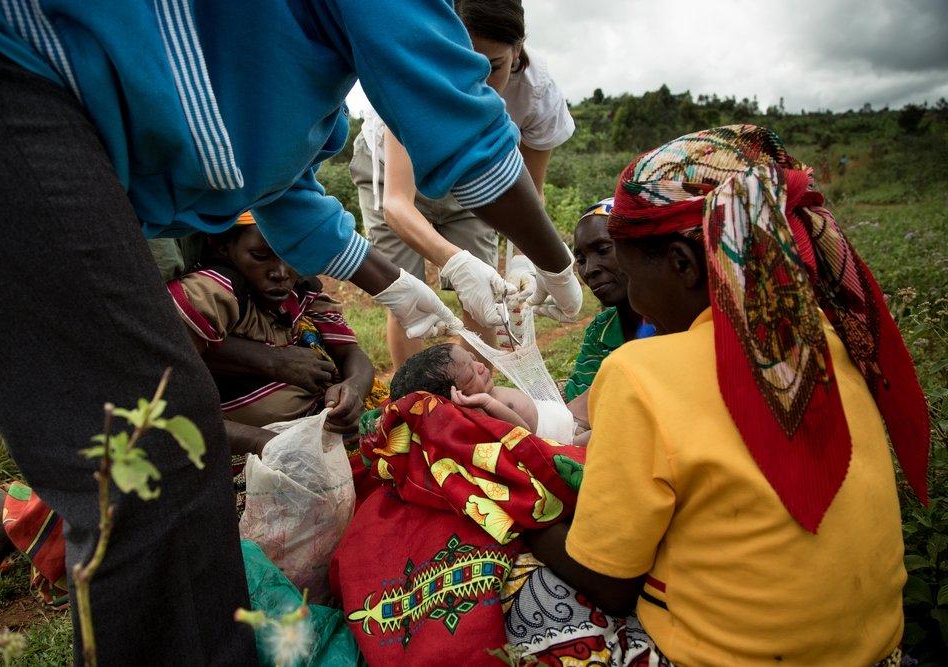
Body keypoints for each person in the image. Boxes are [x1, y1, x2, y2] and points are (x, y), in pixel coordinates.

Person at [0, 1, 582, 661]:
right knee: (155, 440)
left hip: (43, 110)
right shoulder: (214, 294)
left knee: (141, 452)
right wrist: (556, 264)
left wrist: (397, 288)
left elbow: (287, 197)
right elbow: (462, 134)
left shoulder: (306, 265)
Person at [525, 125, 930, 666]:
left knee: (519, 588)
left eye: (630, 269)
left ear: (682, 264)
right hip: (876, 651)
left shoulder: (639, 373)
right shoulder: (829, 341)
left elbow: (610, 584)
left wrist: (526, 526)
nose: (635, 298)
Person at [351, 0, 576, 368]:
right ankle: (417, 401)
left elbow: (530, 190)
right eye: (461, 64)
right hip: (393, 175)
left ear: (518, 49)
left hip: (474, 179)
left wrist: (523, 260)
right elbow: (397, 204)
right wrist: (454, 262)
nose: (475, 83)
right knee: (409, 297)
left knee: (484, 300)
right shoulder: (414, 76)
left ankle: (470, 404)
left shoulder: (538, 91)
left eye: (493, 68)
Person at [170, 213, 376, 433]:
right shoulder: (216, 292)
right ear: (222, 246)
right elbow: (168, 351)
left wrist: (354, 388)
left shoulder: (301, 292)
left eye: (292, 256)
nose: (280, 272)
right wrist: (273, 361)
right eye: (260, 256)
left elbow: (350, 353)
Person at [390, 343, 588, 444]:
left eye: (473, 359)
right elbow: (524, 439)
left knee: (609, 379)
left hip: (567, 414)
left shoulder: (486, 391)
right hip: (565, 444)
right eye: (470, 376)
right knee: (612, 433)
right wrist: (487, 403)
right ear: (456, 400)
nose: (481, 367)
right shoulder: (481, 414)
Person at [565, 198, 654, 404]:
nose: (589, 270)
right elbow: (578, 406)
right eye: (581, 260)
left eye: (603, 250)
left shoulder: (675, 322)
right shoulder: (600, 331)